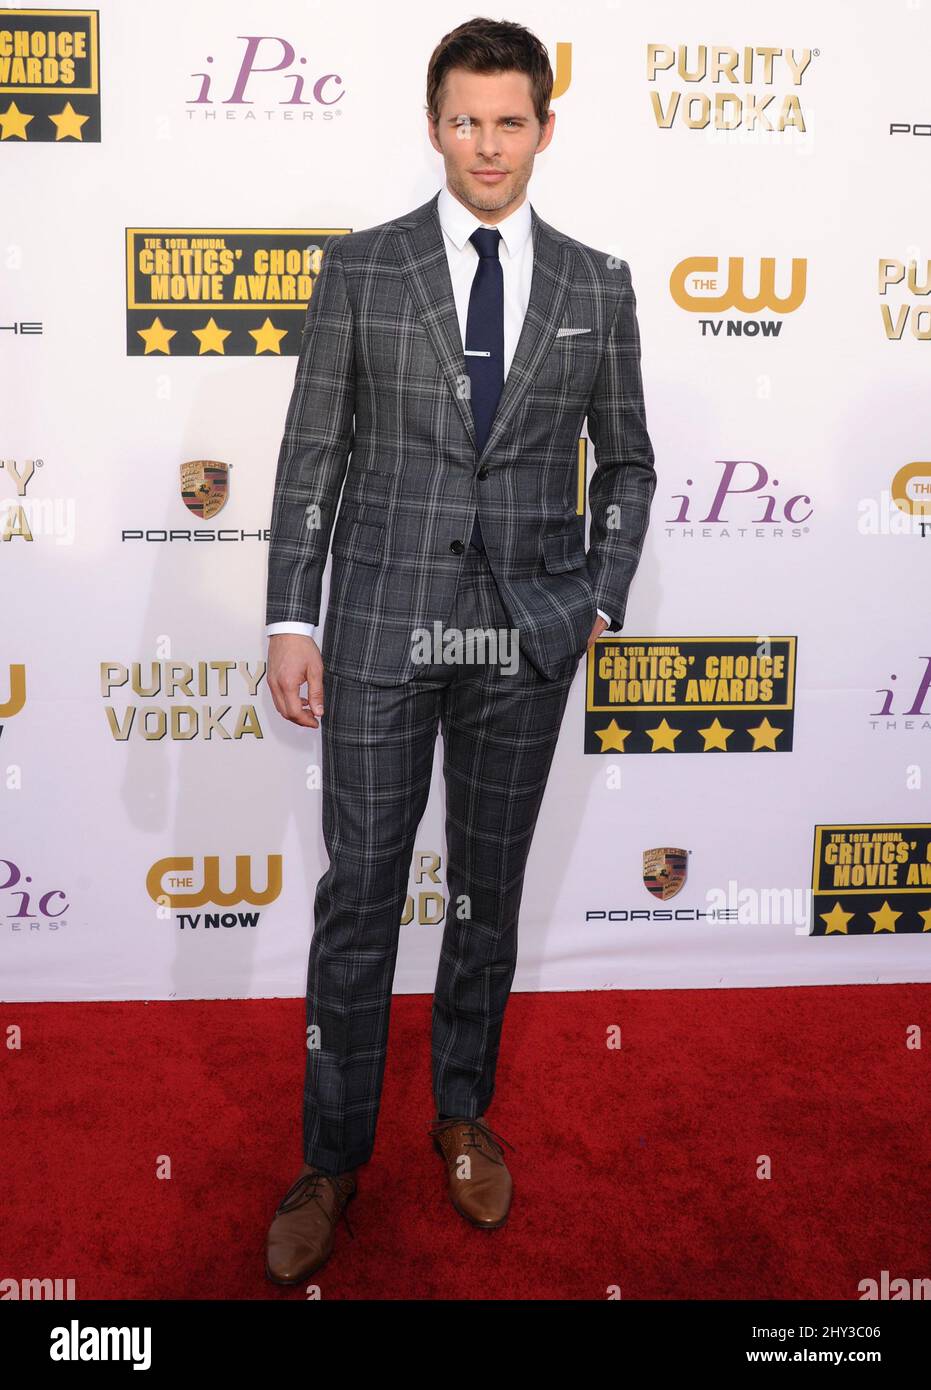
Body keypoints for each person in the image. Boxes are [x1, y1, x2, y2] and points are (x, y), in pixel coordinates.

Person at [262, 15, 655, 1284]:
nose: (487, 144)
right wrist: (290, 618)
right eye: (464, 120)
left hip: (524, 636)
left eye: (510, 119)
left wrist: (595, 596)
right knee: (359, 899)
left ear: (545, 126)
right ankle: (330, 1159)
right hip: (378, 624)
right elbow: (311, 456)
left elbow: (631, 464)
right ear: (433, 126)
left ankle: (462, 1113)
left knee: (484, 897)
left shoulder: (598, 282)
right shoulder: (364, 272)